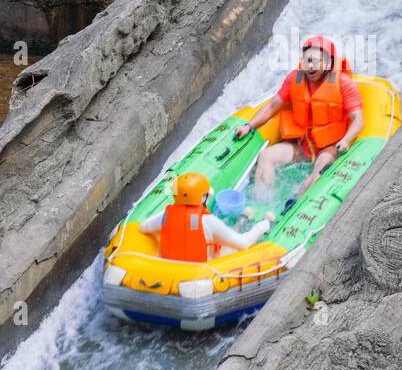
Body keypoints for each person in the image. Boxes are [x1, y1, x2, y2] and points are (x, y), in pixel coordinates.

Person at [234, 35, 365, 200]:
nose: (310, 66)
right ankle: (261, 203)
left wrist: (346, 139)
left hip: (329, 147)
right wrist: (249, 126)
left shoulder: (344, 83)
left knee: (319, 172)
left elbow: (358, 118)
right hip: (302, 145)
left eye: (315, 61)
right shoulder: (294, 79)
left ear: (328, 63)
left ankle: (290, 210)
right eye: (307, 60)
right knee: (266, 156)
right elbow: (272, 106)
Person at [140, 172, 271, 263]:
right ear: (204, 197)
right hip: (202, 272)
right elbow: (243, 244)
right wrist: (261, 227)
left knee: (223, 235)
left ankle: (244, 218)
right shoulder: (207, 221)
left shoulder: (166, 215)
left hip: (170, 271)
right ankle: (253, 219)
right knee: (234, 238)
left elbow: (143, 227)